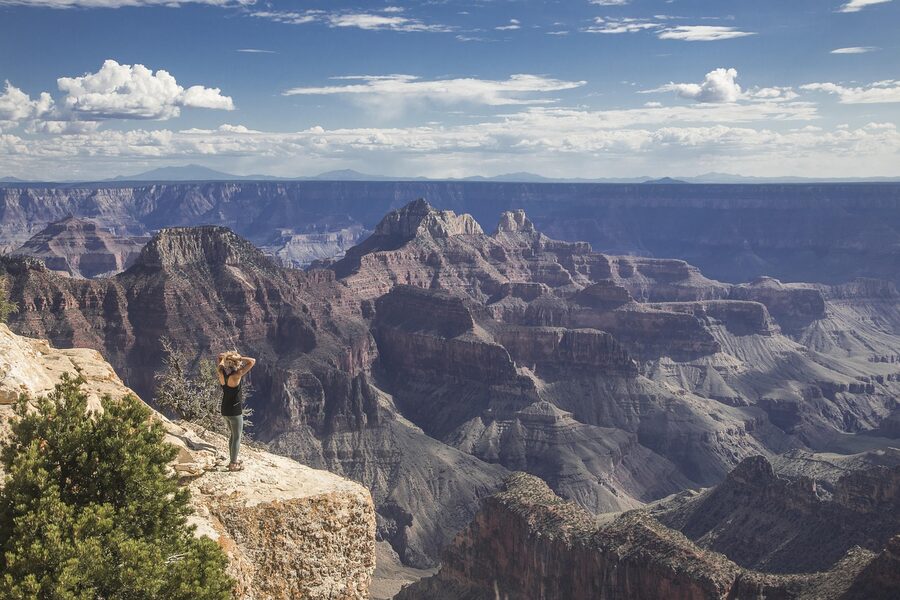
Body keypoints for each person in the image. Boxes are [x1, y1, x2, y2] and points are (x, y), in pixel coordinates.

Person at [216, 351, 256, 472]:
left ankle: (233, 460)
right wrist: (239, 358)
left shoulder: (221, 373)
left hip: (225, 410)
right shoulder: (237, 375)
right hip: (235, 411)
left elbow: (219, 358)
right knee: (237, 437)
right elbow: (252, 361)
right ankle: (233, 464)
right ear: (236, 363)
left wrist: (226, 358)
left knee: (233, 436)